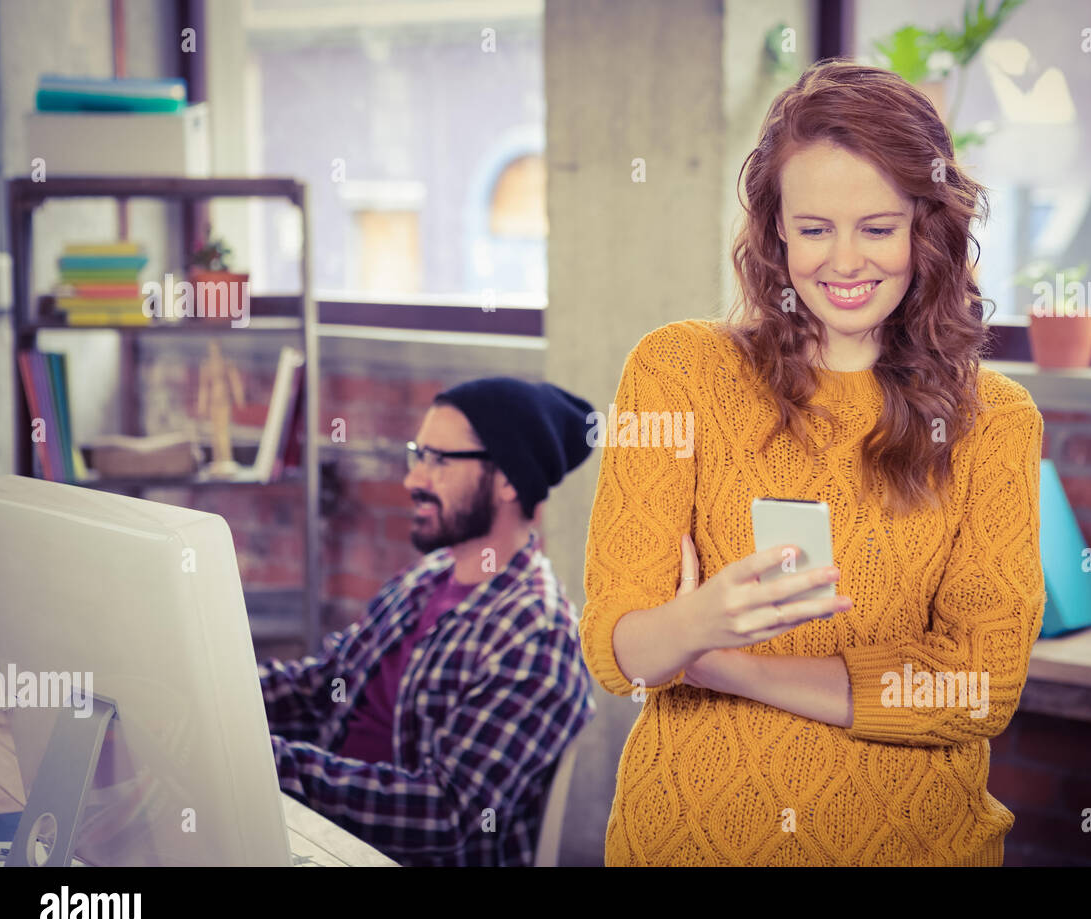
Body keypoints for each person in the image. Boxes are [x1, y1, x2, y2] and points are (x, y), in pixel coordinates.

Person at [579, 60, 1046, 866]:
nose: (845, 262)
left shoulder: (993, 421)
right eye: (814, 227)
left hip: (912, 846)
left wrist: (719, 663)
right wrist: (692, 626)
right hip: (689, 840)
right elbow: (617, 653)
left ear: (924, 228)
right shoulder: (676, 372)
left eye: (878, 226)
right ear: (775, 230)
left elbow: (979, 691)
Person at [258, 377, 597, 866]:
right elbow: (320, 686)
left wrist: (268, 766)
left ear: (507, 479)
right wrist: (215, 692)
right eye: (418, 454)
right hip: (318, 840)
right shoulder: (425, 581)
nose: (413, 479)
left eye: (439, 460)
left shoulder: (536, 635)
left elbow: (447, 817)